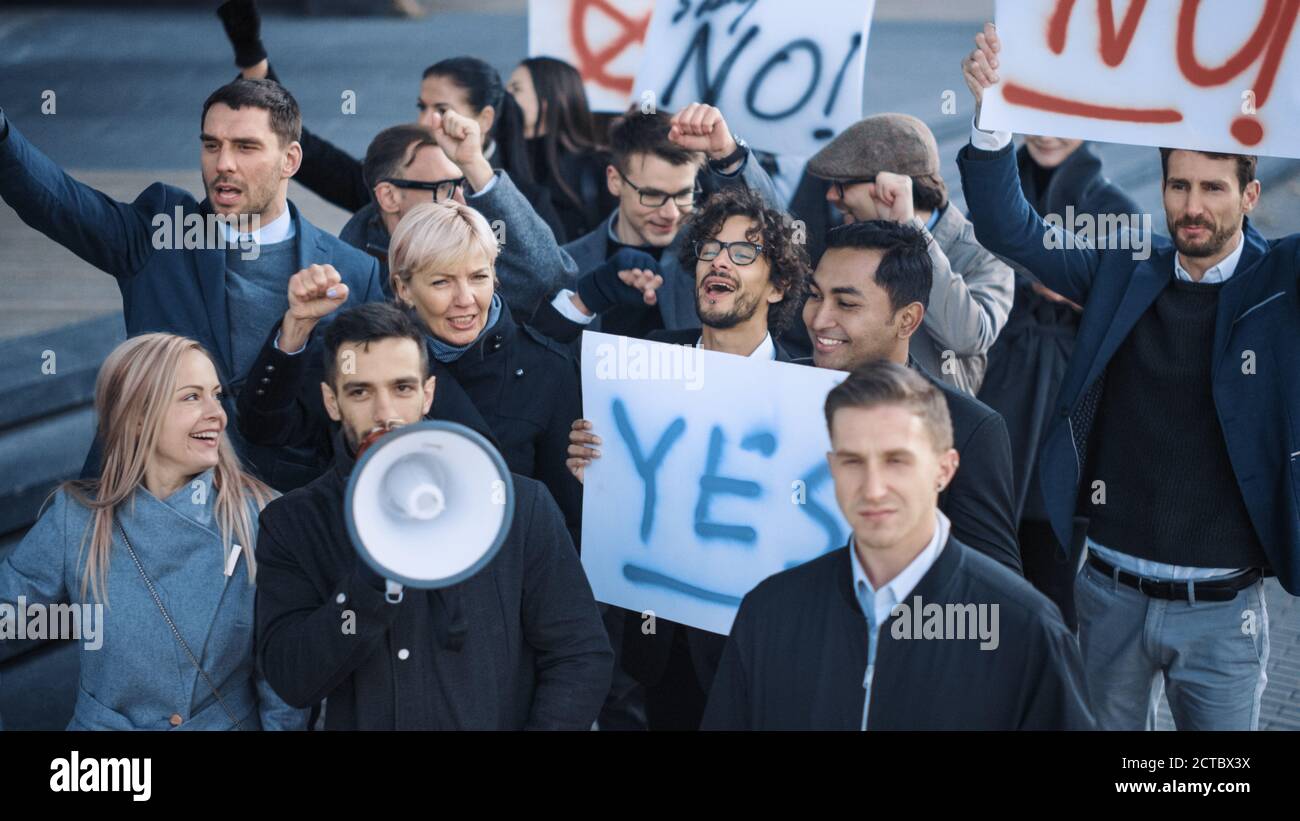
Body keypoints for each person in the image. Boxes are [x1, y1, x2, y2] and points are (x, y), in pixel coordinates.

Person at [960, 22, 1298, 729]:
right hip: (1108, 596)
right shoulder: (1124, 266)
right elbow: (1012, 232)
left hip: (1223, 614)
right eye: (1178, 185)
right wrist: (995, 119)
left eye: (1212, 187)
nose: (1192, 206)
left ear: (1252, 194)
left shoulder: (1280, 283)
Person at [0, 81, 383, 489]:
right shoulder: (159, 234)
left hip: (275, 508)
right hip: (146, 489)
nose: (224, 164)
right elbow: (58, 201)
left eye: (245, 147)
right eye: (212, 146)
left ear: (290, 160)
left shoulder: (352, 273)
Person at [253, 302, 612, 729]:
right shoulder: (293, 523)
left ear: (428, 393)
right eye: (360, 391)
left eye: (402, 388)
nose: (385, 412)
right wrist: (367, 584)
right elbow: (293, 679)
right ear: (332, 402)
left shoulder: (522, 505)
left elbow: (579, 654)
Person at [700, 361, 1093, 730]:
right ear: (833, 467)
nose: (872, 489)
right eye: (853, 461)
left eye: (896, 461)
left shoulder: (1026, 631)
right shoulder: (768, 614)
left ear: (945, 469)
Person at [564, 186, 812, 730]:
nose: (720, 261)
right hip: (655, 658)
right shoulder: (643, 362)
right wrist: (591, 468)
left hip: (763, 662)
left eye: (743, 253)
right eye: (710, 248)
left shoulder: (812, 398)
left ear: (779, 286)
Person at [0, 334, 307, 730]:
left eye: (216, 394)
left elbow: (281, 676)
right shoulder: (76, 520)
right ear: (138, 413)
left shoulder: (262, 517)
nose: (218, 413)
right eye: (192, 397)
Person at [239, 200, 583, 544]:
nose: (465, 299)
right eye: (441, 282)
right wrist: (297, 325)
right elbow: (266, 429)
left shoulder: (548, 369)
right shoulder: (361, 354)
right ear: (404, 289)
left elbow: (567, 518)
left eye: (478, 277)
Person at [217, 0, 566, 240]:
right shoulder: (397, 176)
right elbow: (312, 155)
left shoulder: (526, 192)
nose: (426, 120)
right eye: (422, 106)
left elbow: (546, 269)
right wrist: (255, 63)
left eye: (442, 110)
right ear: (386, 197)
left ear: (484, 118)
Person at [976, 134, 1139, 629]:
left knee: (1051, 555)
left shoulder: (1116, 207)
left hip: (1066, 394)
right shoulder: (991, 188)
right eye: (1036, 118)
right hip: (999, 378)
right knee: (983, 534)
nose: (1047, 133)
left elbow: (1135, 310)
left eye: (1061, 120)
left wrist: (1079, 290)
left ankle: (1048, 684)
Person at [803, 221, 1020, 574]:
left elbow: (994, 586)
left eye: (845, 303)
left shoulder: (969, 428)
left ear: (907, 320)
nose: (818, 318)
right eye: (814, 295)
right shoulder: (774, 386)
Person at [519, 105, 781, 343]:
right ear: (614, 181)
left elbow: (780, 235)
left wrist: (729, 155)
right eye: (653, 195)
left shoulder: (713, 253)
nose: (670, 213)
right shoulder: (568, 263)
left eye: (682, 195)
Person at [804, 113, 1014, 395]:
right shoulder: (844, 239)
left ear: (889, 186)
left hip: (929, 422)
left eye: (843, 183)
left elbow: (967, 337)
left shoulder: (982, 250)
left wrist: (911, 230)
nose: (831, 195)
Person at [340, 123, 468, 298]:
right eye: (444, 187)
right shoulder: (354, 286)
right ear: (389, 197)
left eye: (462, 184)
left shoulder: (478, 233)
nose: (462, 202)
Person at [509, 56, 617, 241]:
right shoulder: (499, 161)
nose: (506, 96)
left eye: (516, 89)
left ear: (549, 97)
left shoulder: (597, 167)